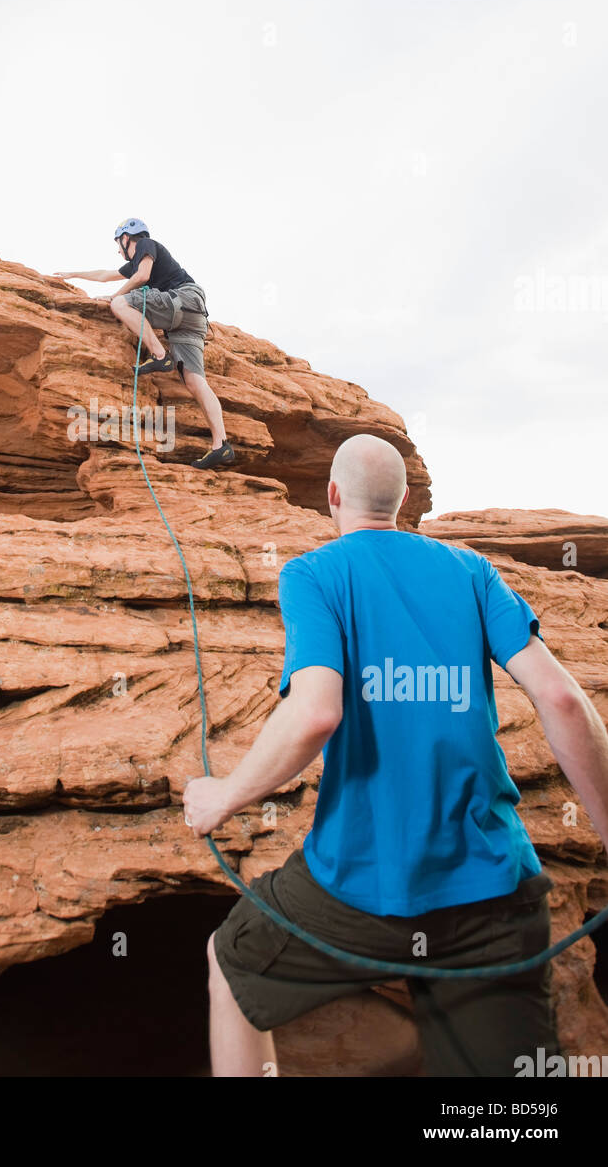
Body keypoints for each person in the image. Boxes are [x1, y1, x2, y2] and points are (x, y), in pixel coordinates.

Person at [183, 433, 608, 1076]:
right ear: (404, 500)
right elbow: (563, 699)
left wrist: (224, 794)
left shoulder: (313, 573)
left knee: (230, 960)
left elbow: (316, 711)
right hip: (492, 888)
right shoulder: (471, 571)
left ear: (332, 495)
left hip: (356, 886)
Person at [54, 218, 235, 470]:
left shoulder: (145, 245)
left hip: (183, 298)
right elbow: (106, 274)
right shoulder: (138, 257)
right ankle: (221, 445)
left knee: (119, 304)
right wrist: (74, 273)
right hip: (192, 319)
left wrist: (115, 297)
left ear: (127, 238)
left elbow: (143, 276)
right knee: (194, 381)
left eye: (119, 244)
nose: (119, 250)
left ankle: (160, 355)